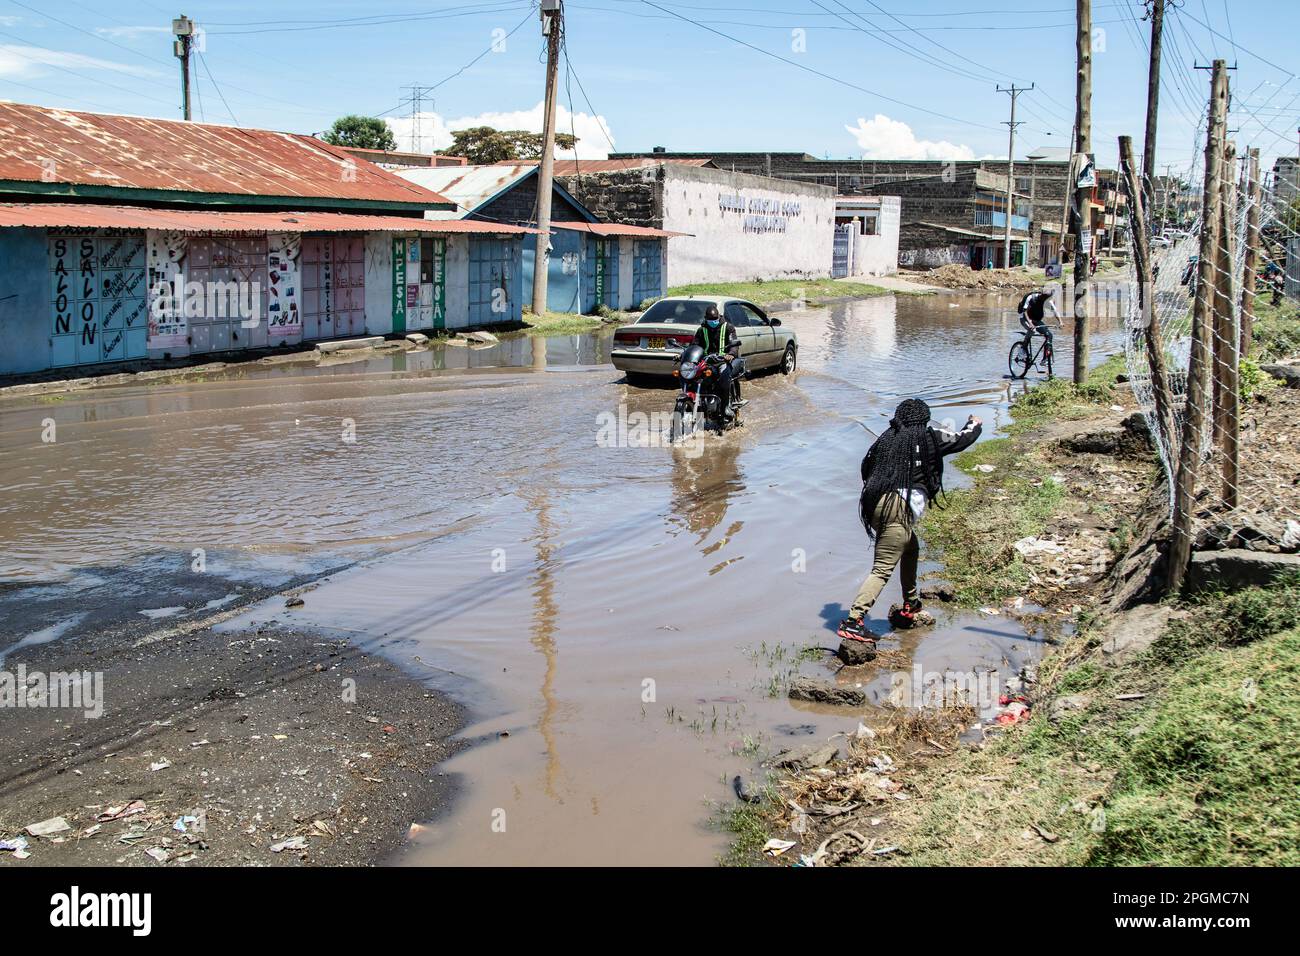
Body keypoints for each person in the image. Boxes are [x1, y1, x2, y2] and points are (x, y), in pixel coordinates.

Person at [837, 400, 982, 644]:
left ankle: (911, 604)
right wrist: (974, 424)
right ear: (924, 419)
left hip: (876, 506)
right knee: (883, 569)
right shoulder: (929, 436)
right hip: (898, 509)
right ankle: (853, 621)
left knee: (911, 547)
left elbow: (866, 467)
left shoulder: (886, 439)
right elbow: (961, 439)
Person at [692, 305, 743, 416]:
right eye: (710, 320)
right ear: (706, 318)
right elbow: (694, 345)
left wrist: (731, 354)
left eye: (715, 320)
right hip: (707, 361)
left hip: (723, 361)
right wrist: (684, 355)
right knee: (693, 376)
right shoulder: (701, 330)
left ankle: (725, 408)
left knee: (724, 378)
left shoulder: (728, 327)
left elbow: (734, 343)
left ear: (719, 317)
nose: (713, 322)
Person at [1016, 285, 1062, 353]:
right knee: (1032, 330)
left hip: (1036, 320)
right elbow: (1024, 311)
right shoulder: (1031, 297)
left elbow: (1055, 311)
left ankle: (1045, 359)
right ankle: (1023, 348)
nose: (1045, 300)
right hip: (1025, 318)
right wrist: (1030, 323)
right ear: (1041, 295)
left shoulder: (1048, 301)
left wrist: (1060, 322)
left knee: (1049, 335)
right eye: (1044, 298)